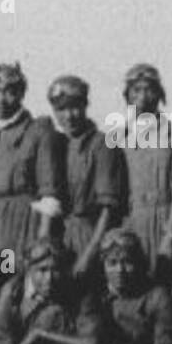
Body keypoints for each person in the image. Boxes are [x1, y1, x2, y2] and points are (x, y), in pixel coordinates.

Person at [0, 62, 67, 277]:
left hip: (21, 224)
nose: (1, 100)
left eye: (9, 92)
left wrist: (42, 239)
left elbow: (49, 192)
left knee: (11, 280)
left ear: (21, 93)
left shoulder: (38, 131)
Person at [47, 75, 125, 281]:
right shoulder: (56, 144)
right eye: (61, 109)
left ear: (85, 106)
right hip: (59, 236)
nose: (69, 116)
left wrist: (90, 254)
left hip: (88, 235)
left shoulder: (102, 144)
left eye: (75, 107)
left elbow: (108, 209)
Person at [118, 63, 172, 283]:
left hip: (166, 219)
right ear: (128, 95)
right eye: (136, 90)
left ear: (159, 93)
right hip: (132, 221)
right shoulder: (119, 136)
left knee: (166, 283)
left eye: (149, 89)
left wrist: (169, 236)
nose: (143, 96)